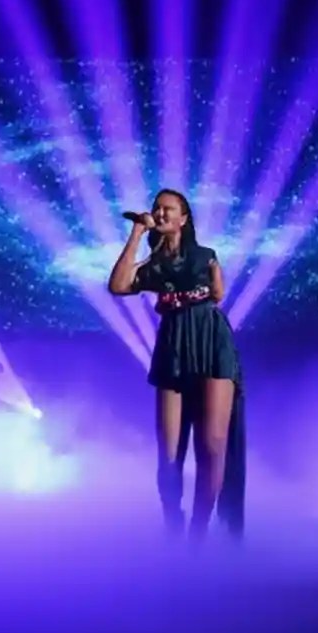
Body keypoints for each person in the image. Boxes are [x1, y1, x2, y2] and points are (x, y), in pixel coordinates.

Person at [107, 189, 246, 540]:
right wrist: (138, 232)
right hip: (173, 346)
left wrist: (193, 298)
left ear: (184, 218)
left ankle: (198, 534)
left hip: (211, 342)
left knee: (213, 445)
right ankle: (173, 521)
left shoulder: (205, 256)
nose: (161, 212)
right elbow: (119, 285)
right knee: (169, 456)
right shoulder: (153, 265)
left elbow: (217, 294)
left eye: (169, 208)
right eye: (157, 208)